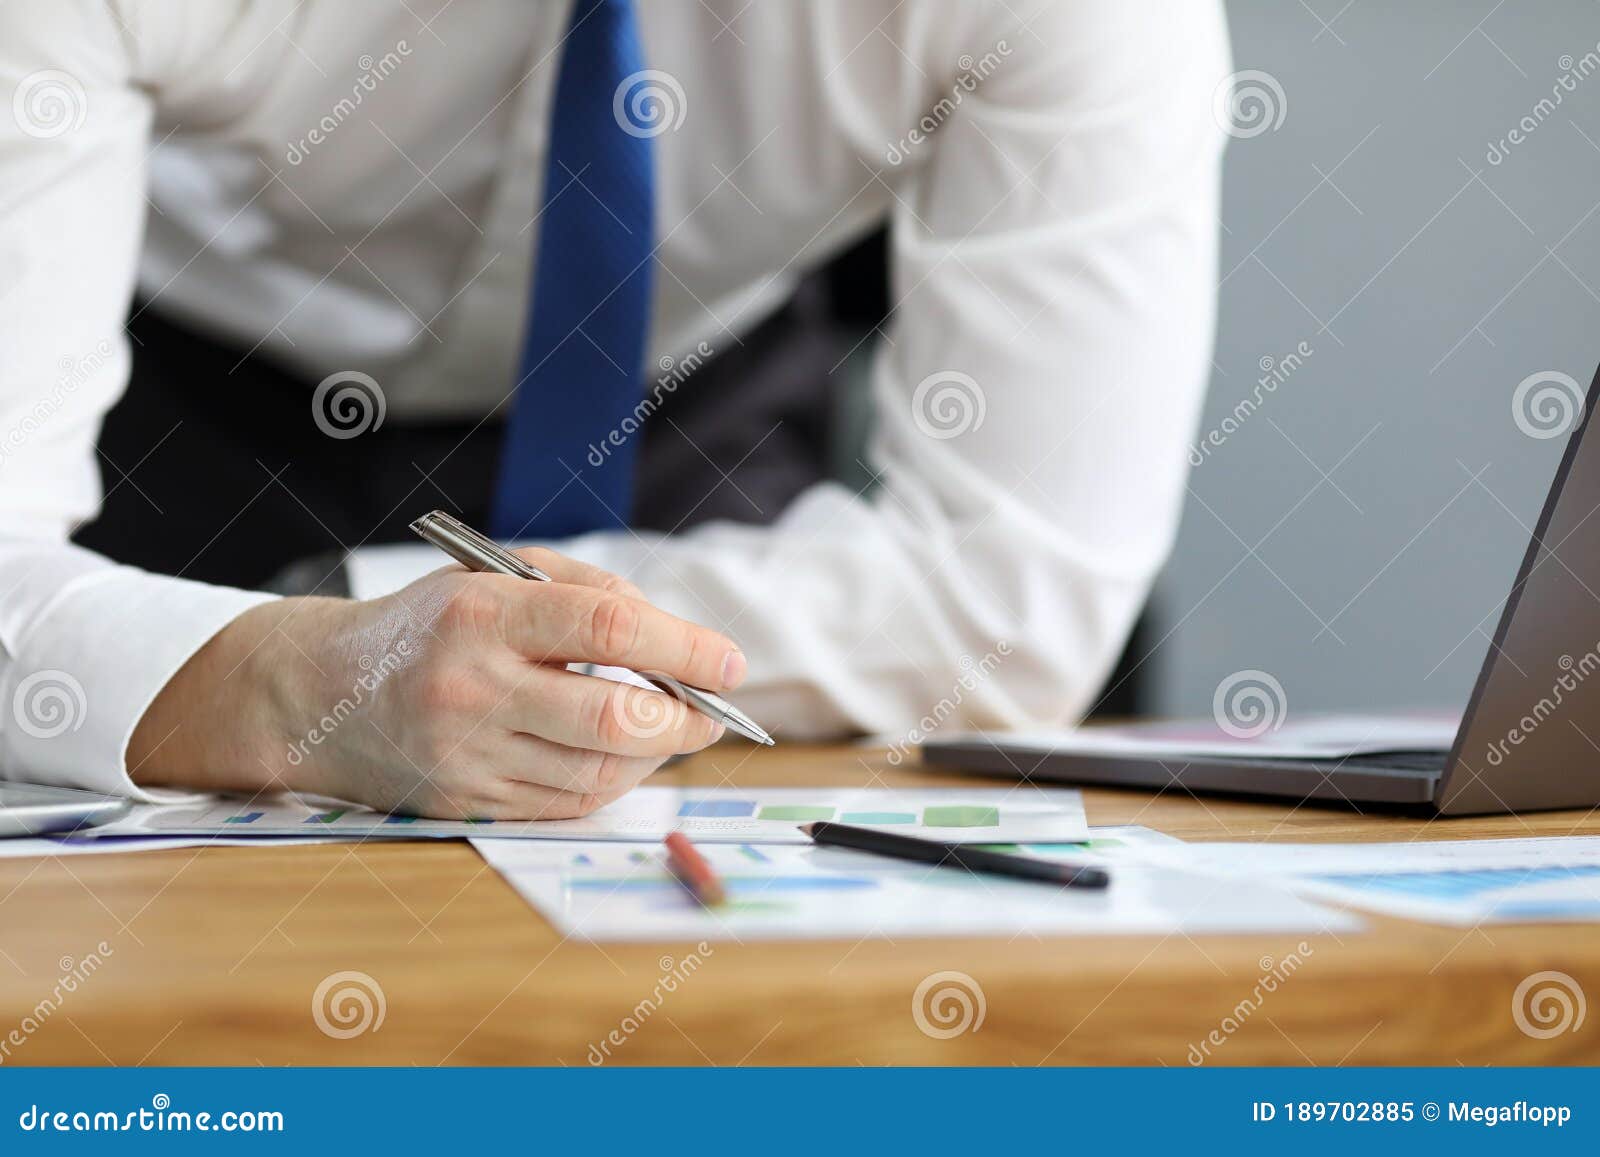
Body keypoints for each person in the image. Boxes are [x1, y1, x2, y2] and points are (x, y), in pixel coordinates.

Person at [0, 0, 1228, 818]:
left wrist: (372, 615)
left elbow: (1011, 600)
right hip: (173, 401)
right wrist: (290, 678)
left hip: (688, 415)